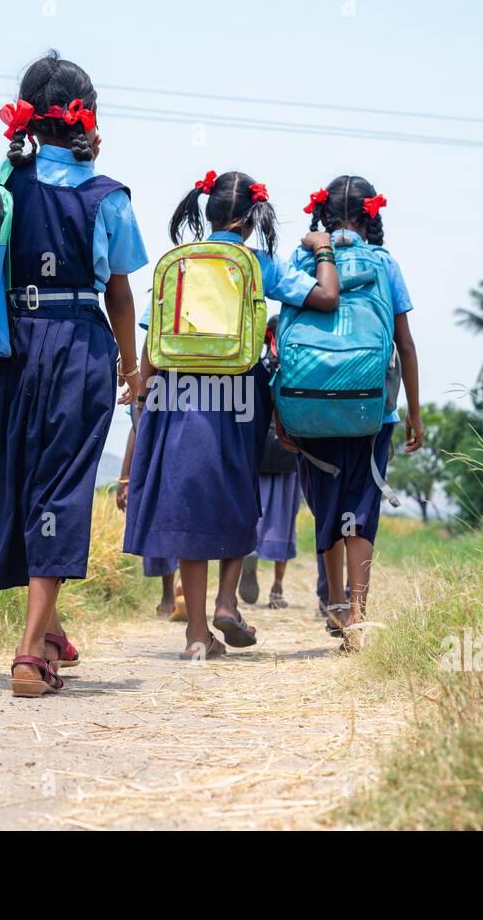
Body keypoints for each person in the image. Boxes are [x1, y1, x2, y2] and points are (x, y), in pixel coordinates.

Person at [0, 51, 146, 697]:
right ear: (88, 118)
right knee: (62, 486)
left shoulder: (2, 179)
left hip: (10, 345)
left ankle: (48, 630)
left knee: (19, 482)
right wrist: (130, 370)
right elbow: (121, 294)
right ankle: (29, 654)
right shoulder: (106, 196)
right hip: (78, 345)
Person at [123, 170, 340, 659]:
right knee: (238, 492)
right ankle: (227, 602)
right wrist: (322, 250)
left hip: (177, 393)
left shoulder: (177, 263)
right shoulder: (258, 262)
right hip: (239, 393)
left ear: (209, 211)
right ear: (248, 218)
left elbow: (153, 341)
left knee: (190, 503)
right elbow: (326, 298)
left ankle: (197, 633)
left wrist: (142, 392)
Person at [291, 176, 423, 651]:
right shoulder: (385, 264)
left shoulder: (304, 258)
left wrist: (281, 412)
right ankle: (359, 611)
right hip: (373, 406)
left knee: (325, 503)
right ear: (371, 216)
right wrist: (414, 411)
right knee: (360, 507)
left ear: (322, 216)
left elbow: (283, 330)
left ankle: (334, 607)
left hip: (309, 402)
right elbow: (404, 345)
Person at [238, 316, 302, 609]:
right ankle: (277, 589)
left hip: (258, 452)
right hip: (288, 451)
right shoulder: (295, 366)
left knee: (256, 514)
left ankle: (250, 551)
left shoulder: (257, 367)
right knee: (284, 520)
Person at [117, 404, 183, 620]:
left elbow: (137, 427)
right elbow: (137, 425)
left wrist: (125, 477)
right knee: (183, 523)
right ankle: (178, 590)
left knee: (164, 525)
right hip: (185, 449)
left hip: (160, 457)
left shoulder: (149, 381)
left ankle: (171, 595)